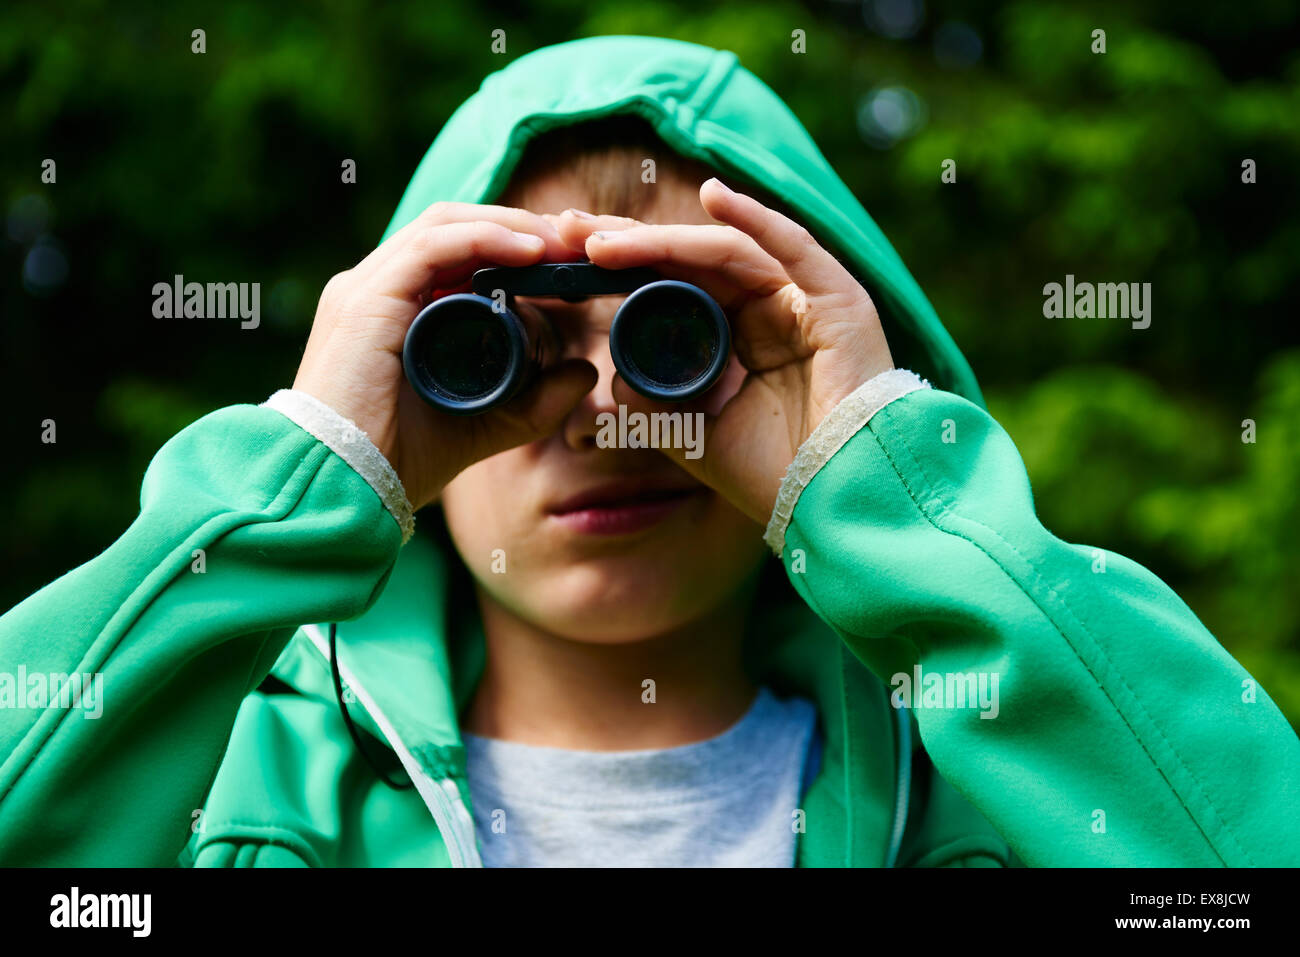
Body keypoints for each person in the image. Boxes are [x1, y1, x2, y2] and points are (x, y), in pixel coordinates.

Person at [0, 35, 1296, 868]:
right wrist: (311, 476)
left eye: (684, 335)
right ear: (396, 356)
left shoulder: (980, 798)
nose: (605, 409)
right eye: (508, 343)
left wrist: (883, 493)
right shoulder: (244, 794)